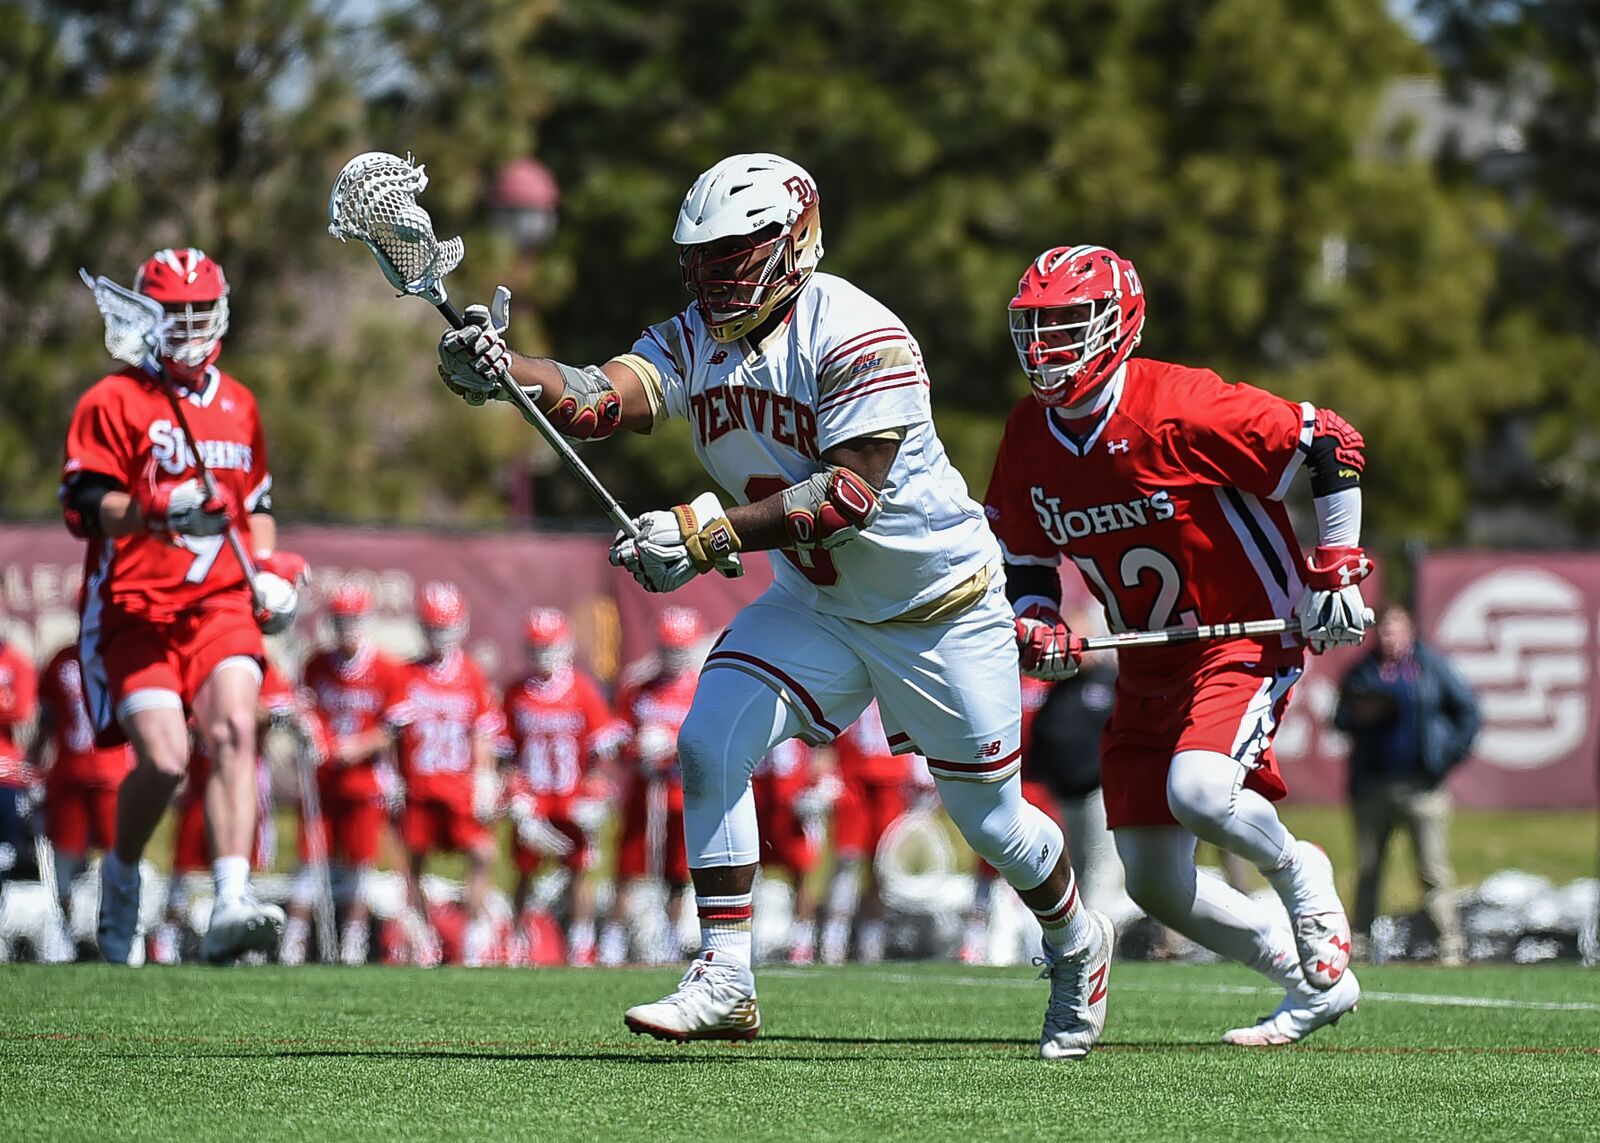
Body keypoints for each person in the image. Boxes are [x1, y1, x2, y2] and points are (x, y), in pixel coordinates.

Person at [438, 153, 1112, 1058]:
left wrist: (705, 533)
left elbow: (845, 497)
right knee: (708, 735)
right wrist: (508, 371)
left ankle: (1077, 939)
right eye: (702, 258)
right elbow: (601, 396)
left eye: (734, 254)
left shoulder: (860, 333)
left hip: (937, 607)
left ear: (795, 241)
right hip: (819, 604)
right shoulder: (695, 337)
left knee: (991, 820)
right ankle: (725, 973)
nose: (714, 276)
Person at [983, 244, 1369, 1046]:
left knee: (1200, 787)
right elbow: (1024, 556)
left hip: (1243, 636)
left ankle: (1301, 875)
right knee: (1157, 883)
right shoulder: (1029, 434)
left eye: (1067, 324)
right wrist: (1036, 618)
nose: (1048, 345)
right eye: (1036, 326)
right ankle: (1305, 984)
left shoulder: (1176, 403)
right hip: (1147, 657)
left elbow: (1329, 442)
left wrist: (1336, 569)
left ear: (1118, 322)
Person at [59, 247, 306, 964]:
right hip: (136, 605)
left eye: (202, 311)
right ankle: (123, 872)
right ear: (146, 318)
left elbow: (255, 506)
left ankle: (231, 896)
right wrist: (156, 507)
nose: (192, 325)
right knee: (164, 761)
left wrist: (266, 572)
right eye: (177, 313)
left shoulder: (240, 402)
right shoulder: (115, 399)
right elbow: (82, 506)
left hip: (219, 601)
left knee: (234, 727)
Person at [1335, 603, 1479, 964]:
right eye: (1382, 631)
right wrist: (1363, 712)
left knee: (1433, 870)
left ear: (1410, 632)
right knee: (1368, 870)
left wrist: (1445, 756)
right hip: (1373, 787)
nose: (1388, 638)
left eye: (1394, 630)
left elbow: (1468, 711)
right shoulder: (1363, 671)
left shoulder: (1430, 668)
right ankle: (1360, 944)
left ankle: (1448, 945)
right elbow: (1340, 718)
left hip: (1423, 787)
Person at [382, 581, 504, 967]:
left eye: (446, 628)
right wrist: (391, 774)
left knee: (483, 853)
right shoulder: (406, 674)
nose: (441, 636)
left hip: (459, 785)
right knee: (413, 862)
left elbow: (483, 732)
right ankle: (422, 934)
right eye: (434, 628)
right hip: (419, 783)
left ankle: (472, 932)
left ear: (462, 627)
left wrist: (485, 777)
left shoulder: (472, 675)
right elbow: (392, 732)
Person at [281, 582, 400, 965]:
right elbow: (302, 709)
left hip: (364, 782)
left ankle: (353, 942)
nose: (347, 628)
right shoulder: (315, 664)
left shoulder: (385, 670)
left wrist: (358, 746)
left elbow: (393, 729)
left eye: (353, 620)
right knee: (309, 863)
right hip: (323, 781)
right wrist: (309, 730)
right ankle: (295, 941)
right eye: (340, 621)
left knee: (360, 868)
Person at [502, 606, 623, 966]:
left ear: (565, 646)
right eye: (537, 648)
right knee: (524, 869)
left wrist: (595, 790)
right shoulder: (516, 692)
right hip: (535, 798)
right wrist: (517, 798)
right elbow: (505, 753)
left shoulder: (582, 689)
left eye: (550, 647)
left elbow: (602, 749)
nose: (544, 655)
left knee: (580, 868)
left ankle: (581, 942)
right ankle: (517, 938)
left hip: (572, 797)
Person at [151, 662, 291, 964]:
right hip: (199, 788)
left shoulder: (258, 666)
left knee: (241, 872)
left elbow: (277, 711)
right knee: (184, 872)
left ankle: (240, 938)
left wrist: (228, 707)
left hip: (242, 792)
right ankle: (166, 944)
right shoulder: (193, 662)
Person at [598, 607, 704, 967]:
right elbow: (619, 738)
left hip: (682, 794)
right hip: (643, 794)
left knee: (678, 872)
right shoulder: (639, 690)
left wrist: (674, 747)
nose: (674, 658)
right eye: (669, 650)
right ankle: (611, 942)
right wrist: (638, 750)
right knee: (629, 867)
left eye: (681, 650)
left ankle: (671, 939)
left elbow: (710, 743)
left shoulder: (703, 689)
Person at [29, 642, 135, 953]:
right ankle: (65, 933)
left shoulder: (123, 654)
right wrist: (33, 762)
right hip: (70, 772)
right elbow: (47, 720)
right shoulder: (61, 659)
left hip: (112, 771)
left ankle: (124, 930)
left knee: (122, 857)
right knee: (63, 860)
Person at [819, 701, 914, 965]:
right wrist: (828, 770)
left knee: (883, 867)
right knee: (847, 862)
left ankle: (870, 941)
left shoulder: (901, 674)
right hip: (854, 781)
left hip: (893, 782)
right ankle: (833, 939)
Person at [749, 737, 823, 963]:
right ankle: (746, 940)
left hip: (794, 799)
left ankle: (803, 943)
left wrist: (817, 786)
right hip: (758, 795)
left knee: (802, 871)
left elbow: (824, 748)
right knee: (747, 871)